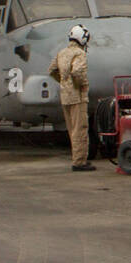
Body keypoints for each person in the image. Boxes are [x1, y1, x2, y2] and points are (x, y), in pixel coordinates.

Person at [49, 24, 94, 170]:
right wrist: (82, 85)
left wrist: (64, 81)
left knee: (71, 129)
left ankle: (77, 158)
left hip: (65, 97)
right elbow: (77, 72)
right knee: (80, 128)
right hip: (77, 97)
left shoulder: (61, 53)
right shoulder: (79, 54)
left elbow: (52, 70)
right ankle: (79, 162)